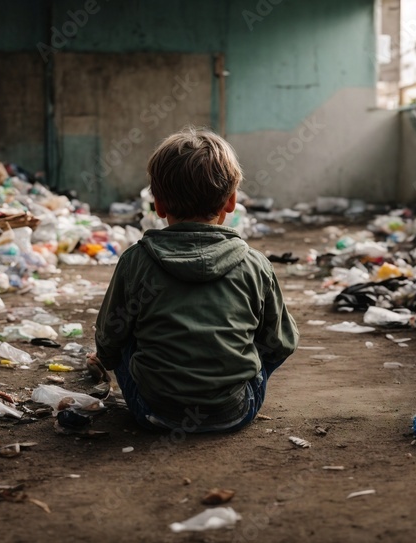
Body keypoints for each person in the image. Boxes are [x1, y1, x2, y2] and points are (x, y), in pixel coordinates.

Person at [90, 126, 299, 433]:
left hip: (152, 411)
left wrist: (105, 357)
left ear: (158, 206)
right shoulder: (255, 264)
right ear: (231, 202)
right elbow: (281, 343)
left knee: (123, 337)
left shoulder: (135, 262)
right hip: (235, 411)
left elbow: (109, 339)